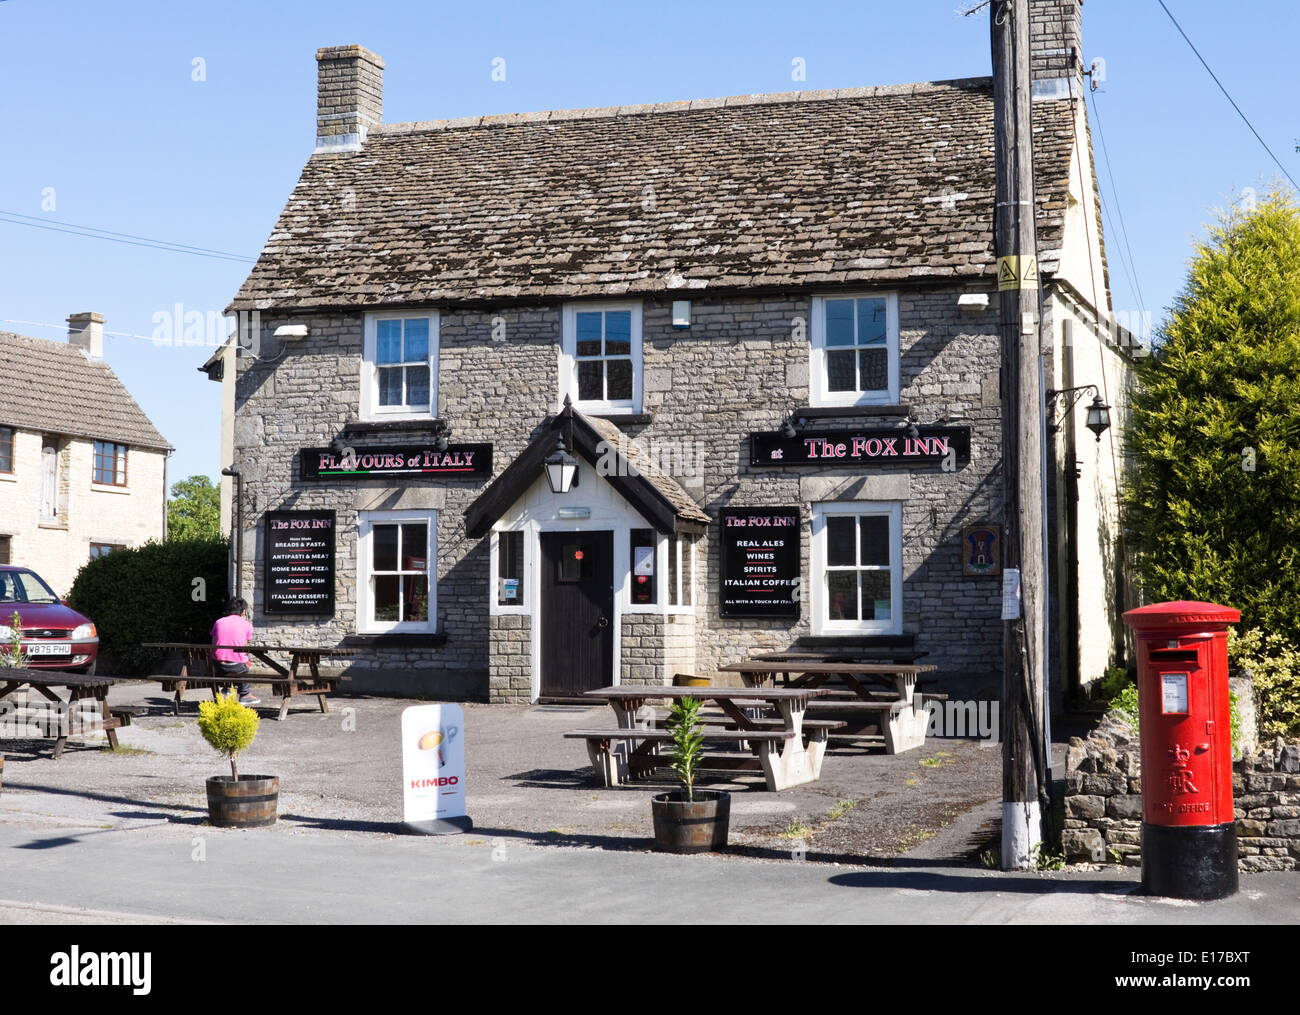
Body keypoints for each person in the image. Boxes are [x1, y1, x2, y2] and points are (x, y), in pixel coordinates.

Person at [211, 597, 259, 706]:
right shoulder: (247, 625)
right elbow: (244, 648)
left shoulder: (218, 622)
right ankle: (245, 694)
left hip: (218, 666)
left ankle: (228, 688)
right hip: (237, 667)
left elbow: (214, 645)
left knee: (225, 656)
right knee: (244, 662)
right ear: (243, 612)